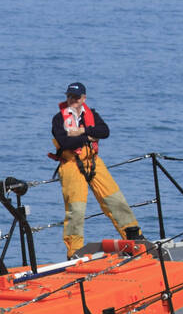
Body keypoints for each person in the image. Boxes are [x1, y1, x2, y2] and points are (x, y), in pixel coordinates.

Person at [50, 81, 147, 258]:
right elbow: (65, 142)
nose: (73, 100)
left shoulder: (92, 115)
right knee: (76, 210)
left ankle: (135, 237)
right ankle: (74, 251)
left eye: (76, 97)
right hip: (71, 165)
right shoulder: (58, 119)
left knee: (115, 200)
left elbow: (105, 131)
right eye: (70, 96)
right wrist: (88, 136)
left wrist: (81, 132)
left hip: (94, 162)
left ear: (83, 98)